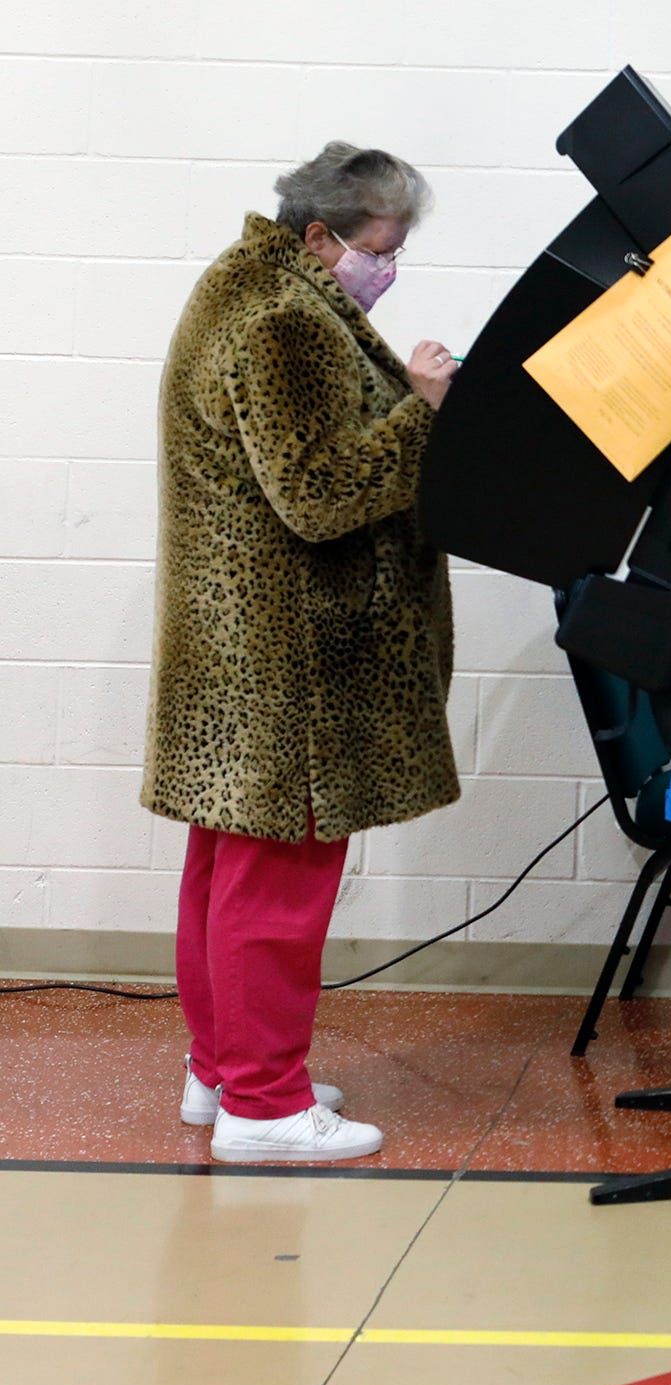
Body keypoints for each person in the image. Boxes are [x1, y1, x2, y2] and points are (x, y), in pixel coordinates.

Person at [142, 144, 462, 1163]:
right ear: (320, 235)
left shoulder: (250, 289)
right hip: (294, 662)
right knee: (277, 889)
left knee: (225, 870)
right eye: (382, 246)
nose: (390, 266)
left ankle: (221, 1072)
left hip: (240, 651)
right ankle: (267, 1109)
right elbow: (320, 495)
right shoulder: (285, 321)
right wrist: (421, 411)